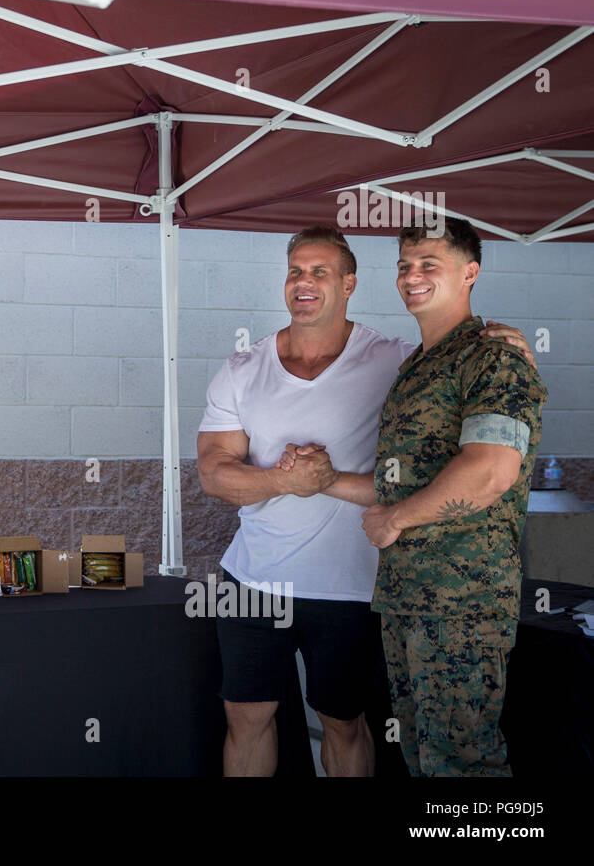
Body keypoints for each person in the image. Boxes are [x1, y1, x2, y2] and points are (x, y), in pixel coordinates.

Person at [197, 225, 533, 777]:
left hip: (360, 585)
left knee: (351, 723)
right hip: (256, 579)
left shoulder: (400, 362)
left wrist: (510, 350)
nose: (304, 282)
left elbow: (484, 462)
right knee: (247, 715)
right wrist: (291, 481)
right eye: (296, 271)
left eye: (320, 272)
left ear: (349, 283)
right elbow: (213, 474)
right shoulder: (243, 368)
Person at [358, 218, 546, 776]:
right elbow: (404, 479)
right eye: (404, 266)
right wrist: (317, 479)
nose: (411, 276)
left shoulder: (494, 357)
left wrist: (395, 519)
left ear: (470, 273)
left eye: (428, 265)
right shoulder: (417, 365)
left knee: (464, 763)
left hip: (463, 601)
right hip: (408, 597)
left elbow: (491, 471)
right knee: (423, 756)